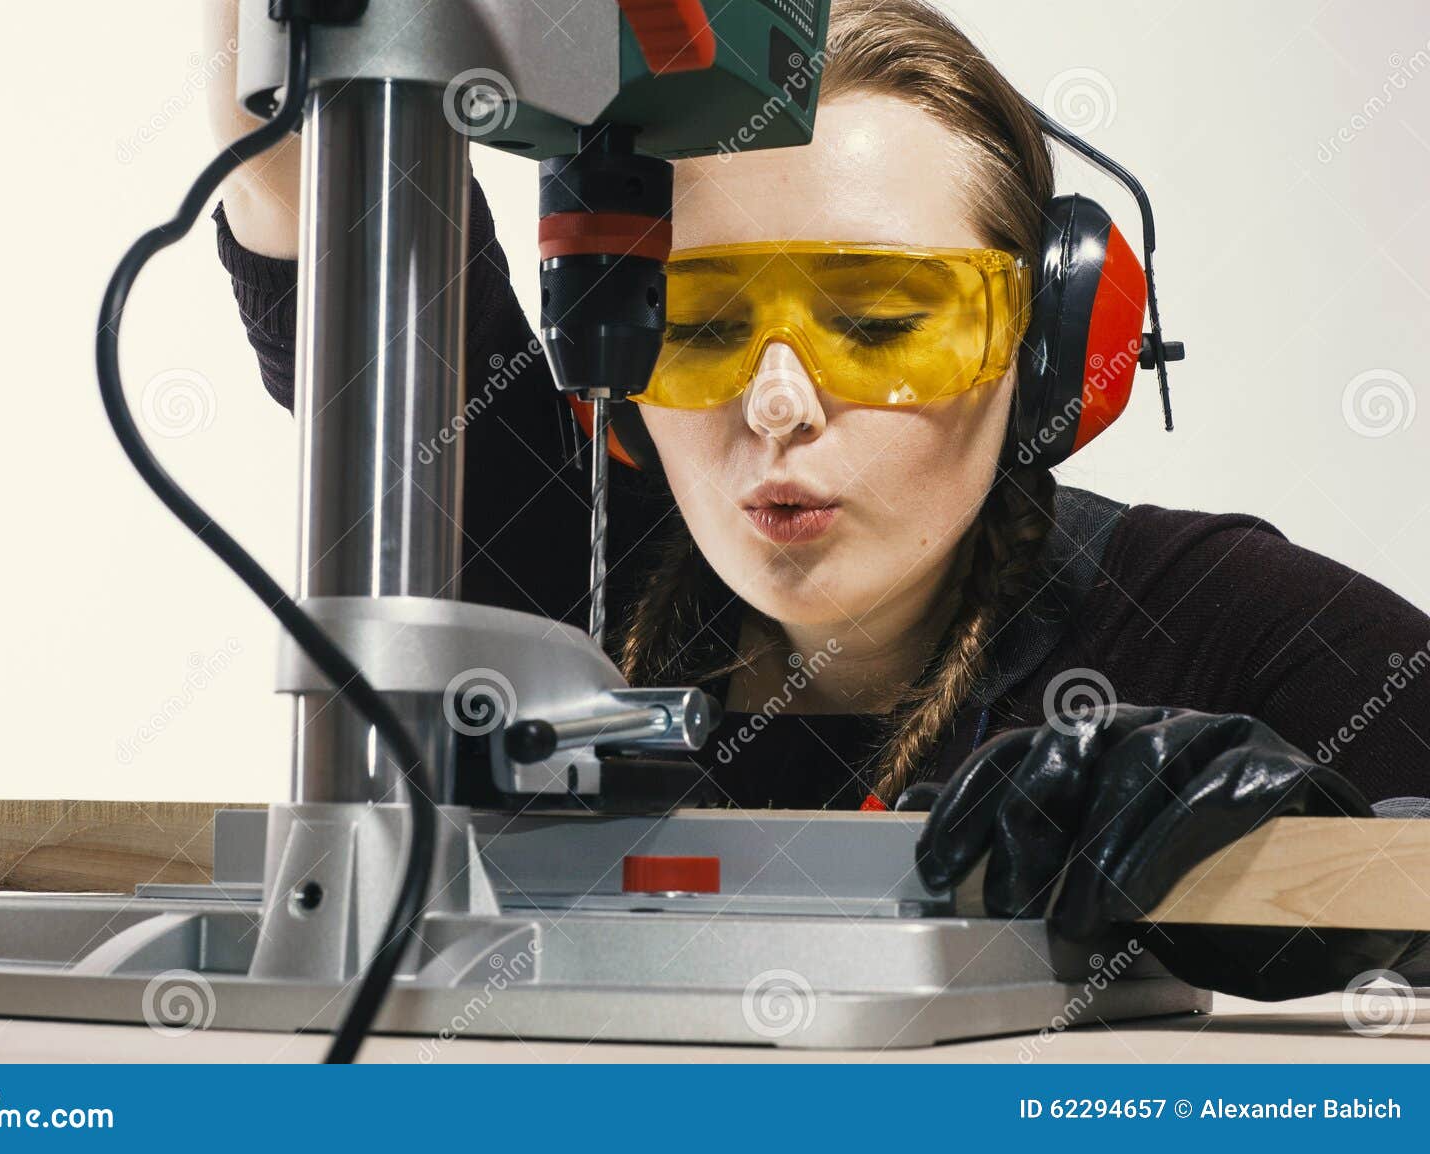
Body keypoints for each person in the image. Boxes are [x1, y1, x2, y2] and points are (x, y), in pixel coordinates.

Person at [203, 0, 1430, 998]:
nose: (776, 404)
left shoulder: (1215, 618)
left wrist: (1350, 887)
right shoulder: (553, 552)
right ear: (614, 356)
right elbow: (302, 170)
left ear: (1046, 346)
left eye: (880, 317)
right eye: (700, 321)